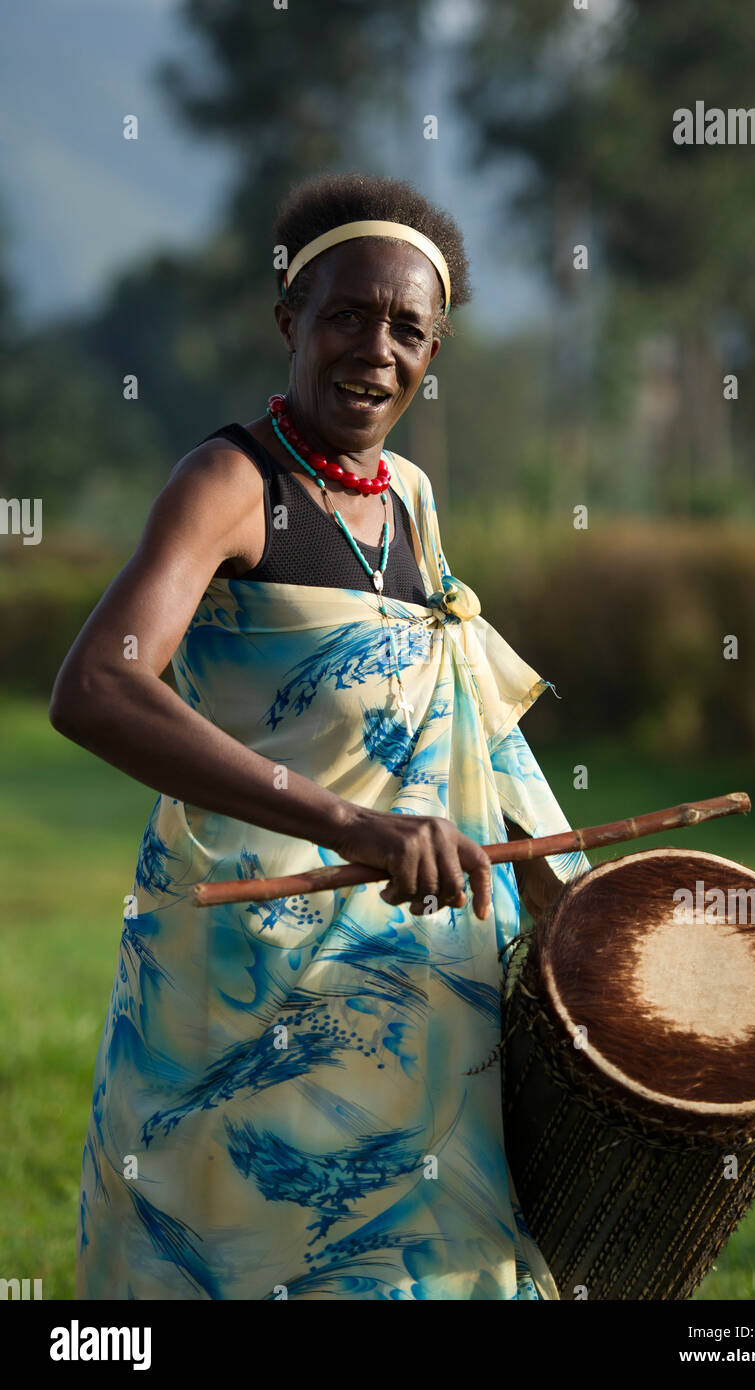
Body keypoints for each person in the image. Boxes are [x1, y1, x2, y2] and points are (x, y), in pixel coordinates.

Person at [50, 171, 589, 1301]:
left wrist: (569, 896)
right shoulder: (230, 483)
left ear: (434, 355)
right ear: (290, 317)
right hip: (242, 991)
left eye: (409, 329)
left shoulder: (410, 501)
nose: (376, 350)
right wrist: (354, 822)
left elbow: (465, 707)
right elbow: (100, 685)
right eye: (348, 314)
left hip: (412, 984)